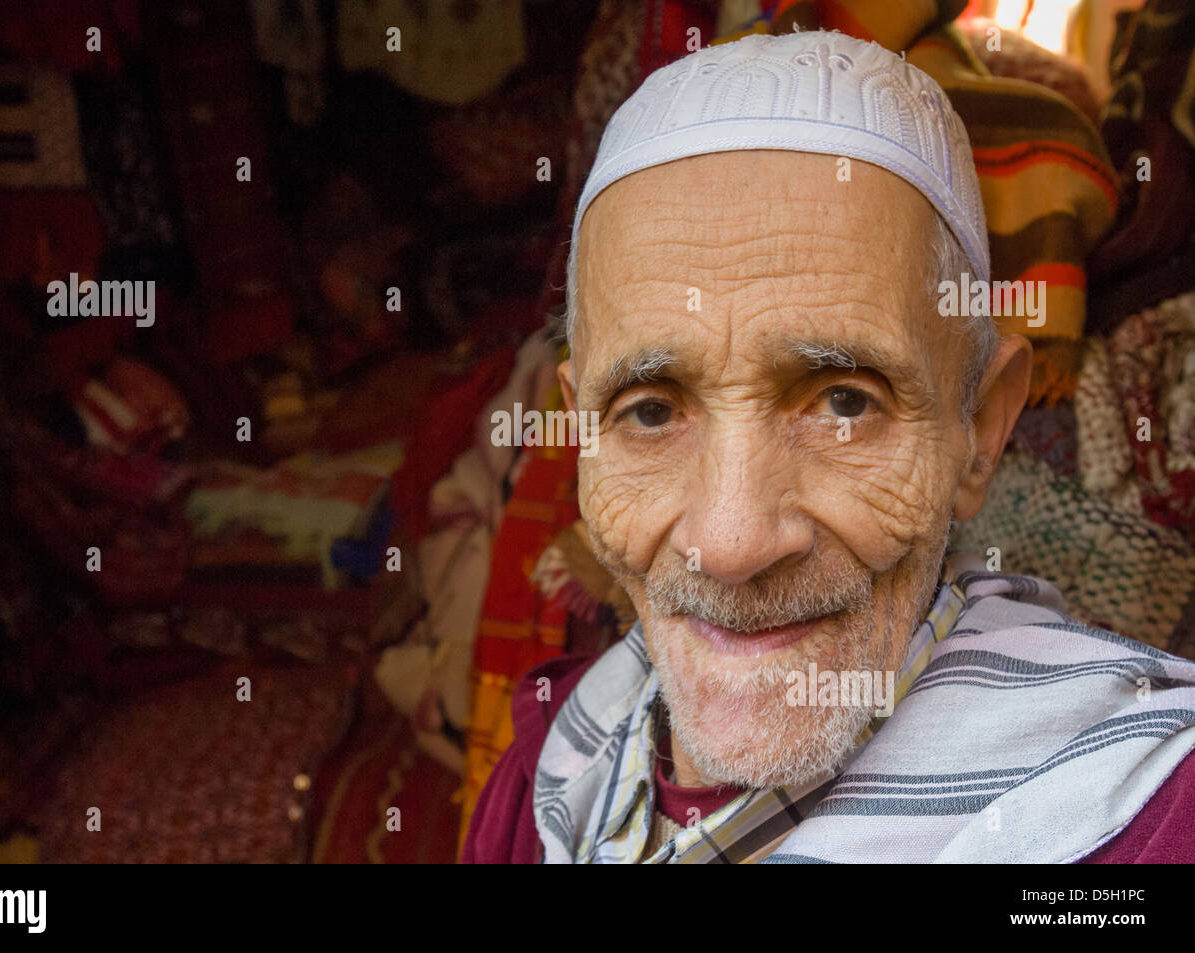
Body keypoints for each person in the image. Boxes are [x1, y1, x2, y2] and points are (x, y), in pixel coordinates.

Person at [461, 30, 1195, 864]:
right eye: (651, 412)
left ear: (980, 430)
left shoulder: (1148, 819)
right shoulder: (550, 774)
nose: (731, 542)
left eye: (845, 402)